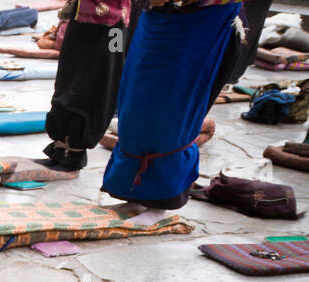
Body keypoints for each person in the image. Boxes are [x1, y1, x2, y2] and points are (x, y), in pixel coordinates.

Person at [101, 0, 243, 209]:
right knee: (137, 99)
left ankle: (163, 190)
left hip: (203, 20)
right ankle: (130, 182)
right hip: (156, 17)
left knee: (174, 107)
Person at [41, 0, 146, 171]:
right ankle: (62, 146)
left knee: (106, 72)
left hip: (115, 21)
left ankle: (73, 150)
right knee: (69, 73)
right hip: (85, 11)